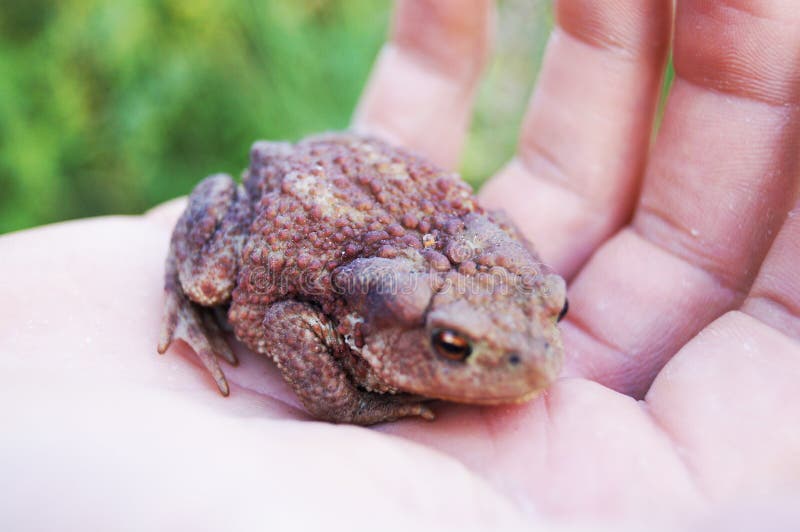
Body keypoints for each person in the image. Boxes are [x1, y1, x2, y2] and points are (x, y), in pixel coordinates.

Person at [2, 1, 798, 529]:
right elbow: (275, 314)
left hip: (386, 197)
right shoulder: (359, 319)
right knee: (214, 279)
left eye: (546, 313)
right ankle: (181, 294)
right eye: (456, 347)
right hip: (294, 208)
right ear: (396, 335)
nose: (531, 357)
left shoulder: (487, 261)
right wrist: (349, 405)